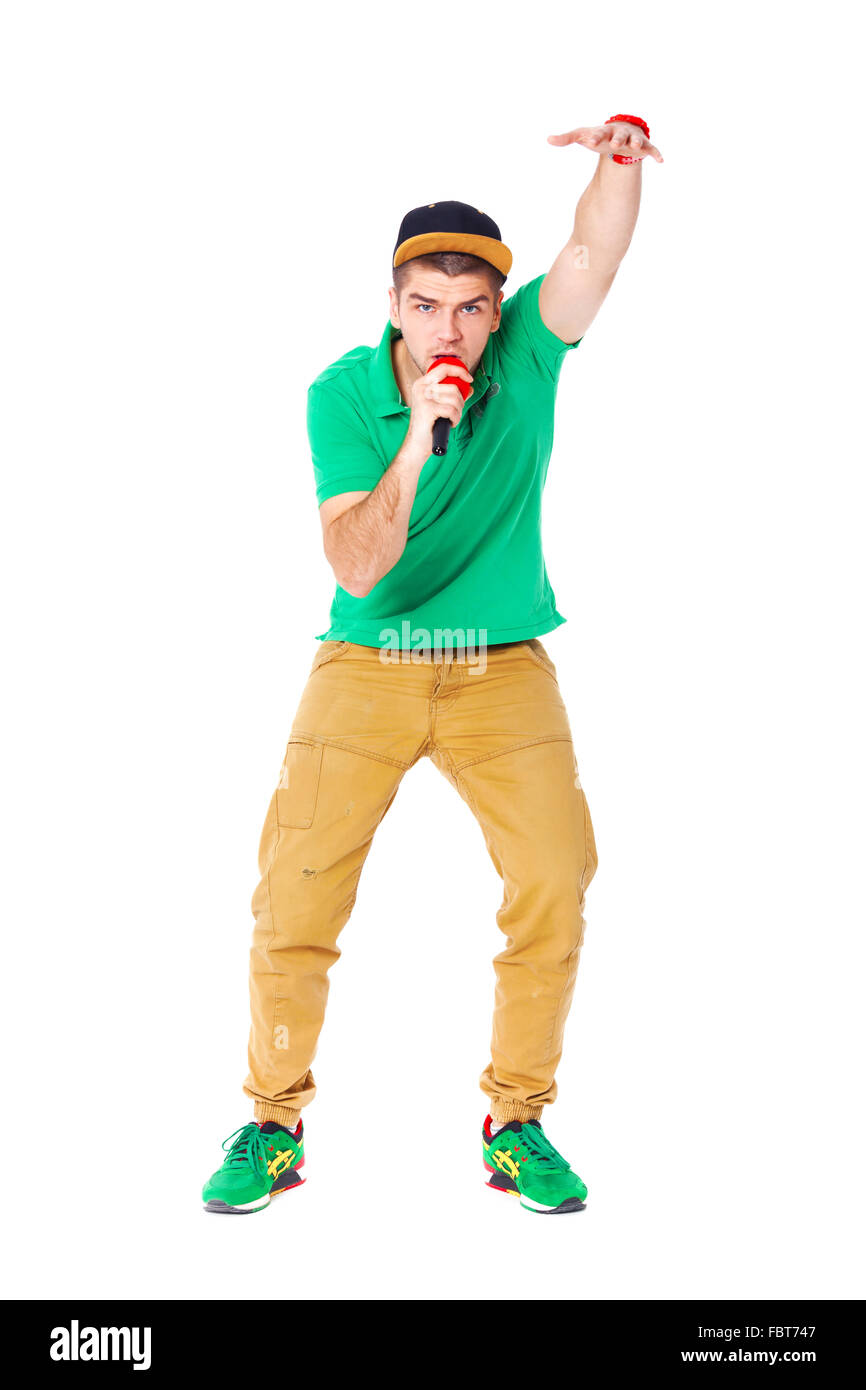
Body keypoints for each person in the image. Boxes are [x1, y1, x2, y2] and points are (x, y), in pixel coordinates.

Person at [202, 115, 662, 1216]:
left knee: (554, 875)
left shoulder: (529, 350)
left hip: (501, 665)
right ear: (391, 302)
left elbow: (596, 251)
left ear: (495, 306)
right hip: (369, 659)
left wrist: (618, 162)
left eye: (468, 305)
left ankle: (516, 1121)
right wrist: (415, 434)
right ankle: (272, 1122)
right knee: (294, 892)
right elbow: (358, 567)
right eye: (422, 305)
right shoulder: (341, 393)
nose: (446, 326)